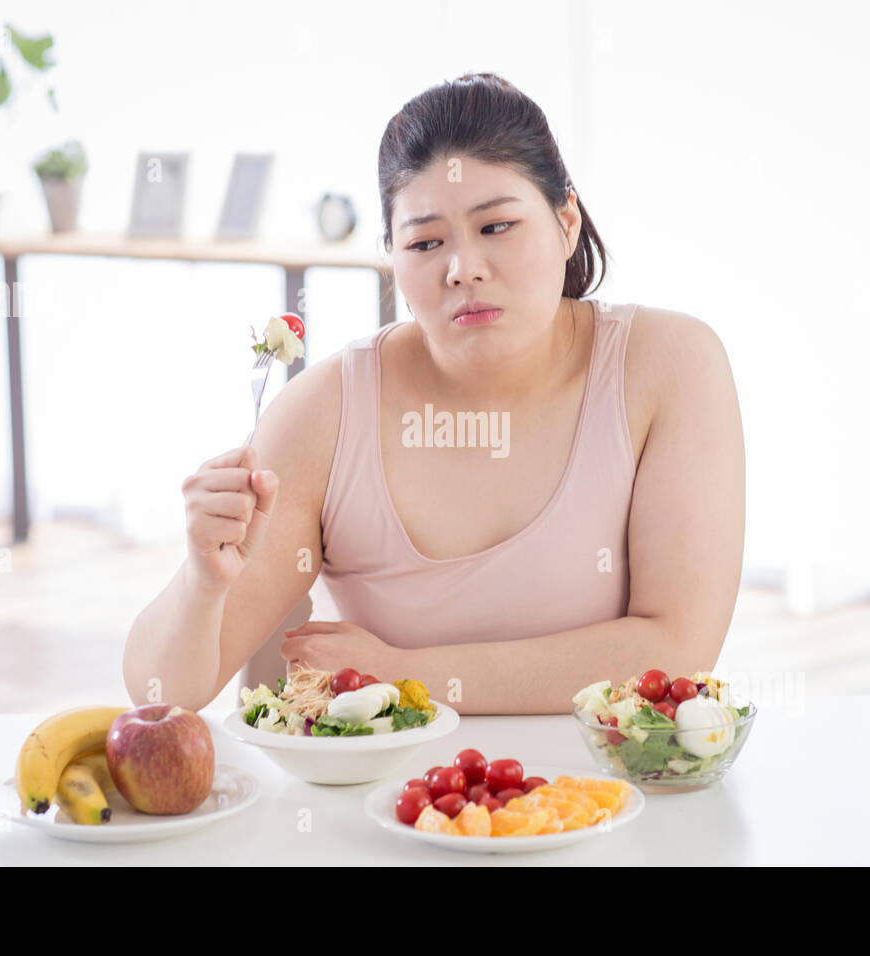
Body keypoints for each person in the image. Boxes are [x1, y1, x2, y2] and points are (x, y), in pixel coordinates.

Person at [123, 72, 745, 715]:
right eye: (425, 243)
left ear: (566, 222)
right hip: (390, 803)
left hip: (608, 801)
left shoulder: (668, 365)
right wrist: (202, 582)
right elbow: (162, 694)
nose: (463, 268)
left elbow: (678, 647)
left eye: (497, 227)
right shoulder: (325, 413)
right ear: (391, 255)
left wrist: (402, 674)